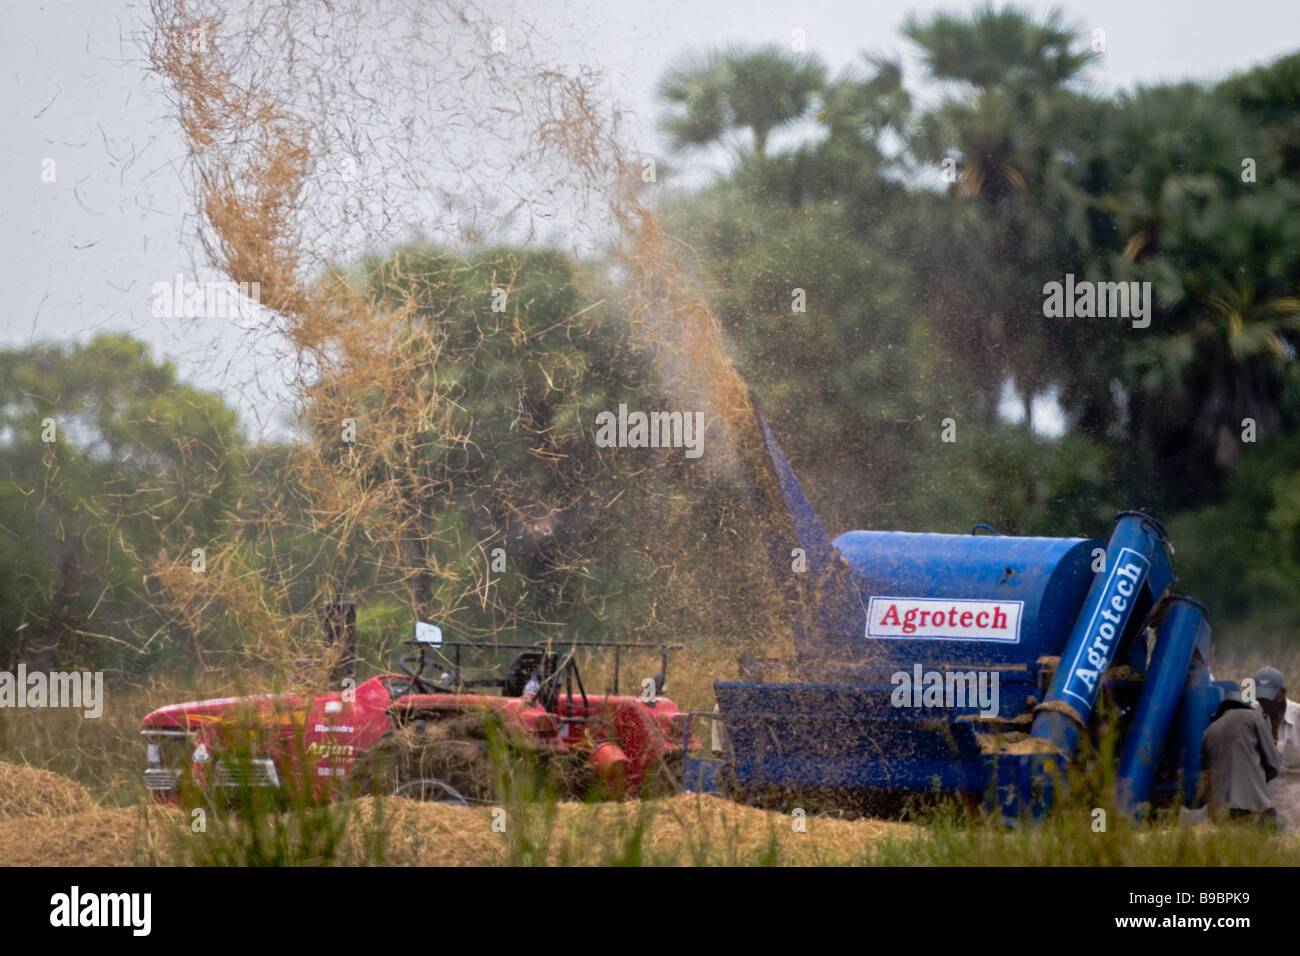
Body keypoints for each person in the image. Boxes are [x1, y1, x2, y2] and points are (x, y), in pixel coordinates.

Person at [1200, 682, 1280, 825]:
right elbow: (1274, 765)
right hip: (1255, 806)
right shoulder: (1253, 717)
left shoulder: (1208, 731)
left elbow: (1206, 779)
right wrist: (1258, 779)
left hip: (1222, 814)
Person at [1252, 666, 1300, 828]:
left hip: (1294, 794)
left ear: (1283, 693)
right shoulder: (1251, 714)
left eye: (1269, 698)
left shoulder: (1298, 717)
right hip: (1261, 793)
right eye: (1260, 698)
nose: (1264, 703)